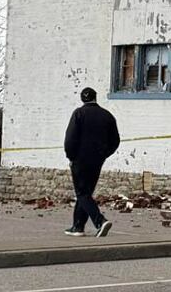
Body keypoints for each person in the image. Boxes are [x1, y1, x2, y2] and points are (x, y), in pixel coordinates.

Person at [63, 87, 120, 237]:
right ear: (95, 97)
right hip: (97, 160)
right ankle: (78, 226)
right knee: (86, 193)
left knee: (82, 193)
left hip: (80, 159)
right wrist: (104, 154)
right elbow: (115, 140)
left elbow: (70, 139)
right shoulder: (107, 116)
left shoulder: (79, 114)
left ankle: (100, 221)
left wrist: (71, 156)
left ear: (82, 99)